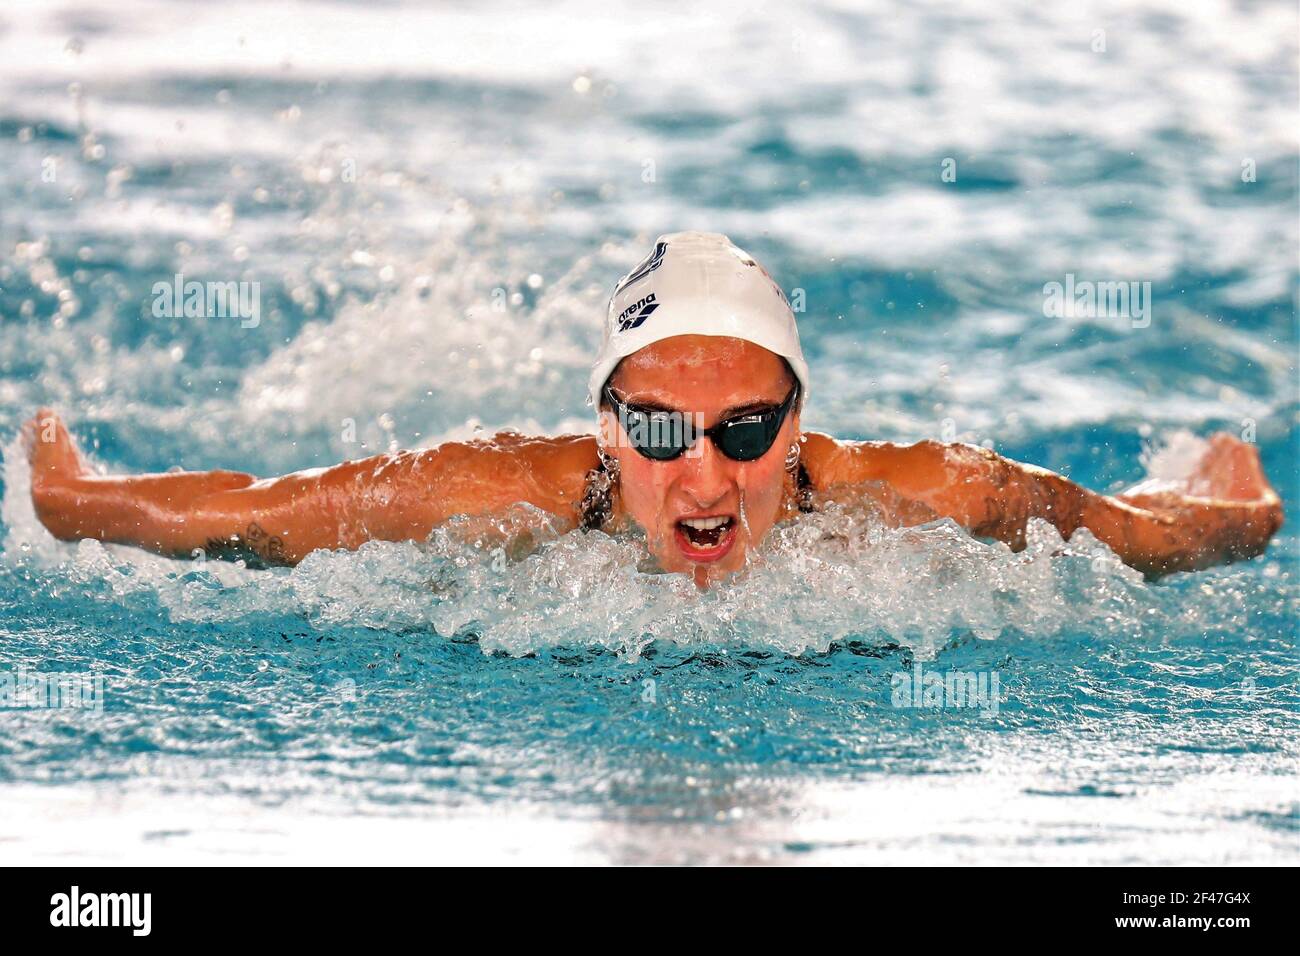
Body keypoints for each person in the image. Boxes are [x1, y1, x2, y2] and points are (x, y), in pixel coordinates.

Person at [24, 232, 1283, 588]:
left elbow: (1127, 533)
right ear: (609, 431)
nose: (706, 480)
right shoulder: (507, 492)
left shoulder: (914, 497)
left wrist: (1233, 506)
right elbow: (263, 515)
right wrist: (75, 498)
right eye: (664, 433)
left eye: (745, 432)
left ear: (797, 426)